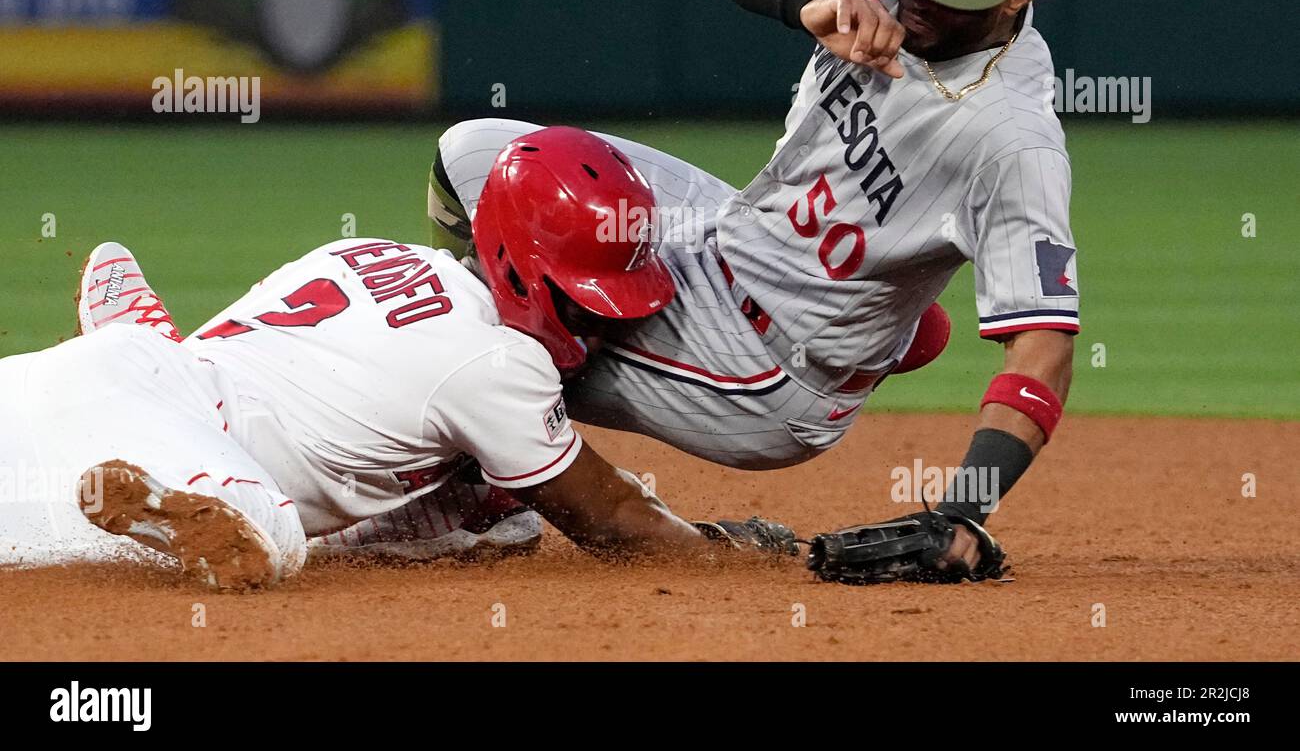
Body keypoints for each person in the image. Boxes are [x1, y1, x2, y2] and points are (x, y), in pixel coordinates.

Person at [428, 0, 1078, 575]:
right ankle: (499, 437)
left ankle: (486, 489)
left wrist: (961, 516)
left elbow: (1043, 349)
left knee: (467, 330)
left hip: (767, 367)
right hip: (730, 229)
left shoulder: (1012, 139)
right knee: (480, 157)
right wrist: (806, 2)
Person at [0, 127, 795, 589]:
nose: (596, 329)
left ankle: (132, 338)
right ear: (516, 265)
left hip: (126, 373)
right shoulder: (497, 365)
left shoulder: (366, 251)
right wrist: (732, 554)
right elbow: (611, 516)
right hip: (170, 452)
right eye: (587, 303)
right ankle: (160, 501)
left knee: (490, 506)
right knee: (264, 543)